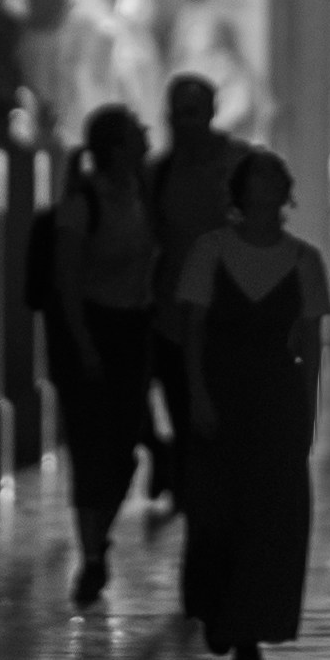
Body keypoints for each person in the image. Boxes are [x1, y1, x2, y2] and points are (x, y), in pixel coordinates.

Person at [165, 147, 329, 660]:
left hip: (275, 397)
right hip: (222, 390)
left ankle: (248, 630)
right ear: (238, 191)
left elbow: (310, 346)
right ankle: (218, 609)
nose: (265, 187)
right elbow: (194, 333)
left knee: (269, 518)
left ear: (286, 192)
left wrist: (308, 411)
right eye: (255, 178)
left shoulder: (305, 260)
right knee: (215, 510)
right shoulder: (209, 251)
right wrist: (198, 397)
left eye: (274, 178)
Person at [28, 103, 168, 607]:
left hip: (133, 328)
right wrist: (84, 345)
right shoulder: (81, 204)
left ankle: (97, 535)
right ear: (116, 147)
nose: (147, 140)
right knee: (91, 449)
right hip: (90, 330)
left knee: (126, 447)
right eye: (138, 134)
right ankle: (91, 555)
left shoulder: (144, 194)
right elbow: (67, 283)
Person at [140, 66, 246, 511]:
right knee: (182, 406)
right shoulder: (158, 172)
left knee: (223, 407)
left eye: (194, 111)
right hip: (173, 312)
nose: (186, 121)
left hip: (227, 312)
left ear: (211, 112)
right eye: (179, 112)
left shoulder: (239, 163)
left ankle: (210, 487)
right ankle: (188, 485)